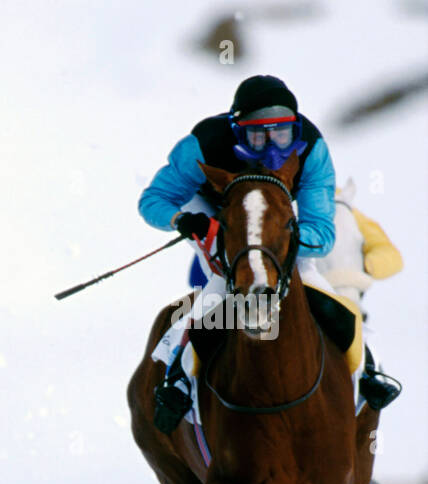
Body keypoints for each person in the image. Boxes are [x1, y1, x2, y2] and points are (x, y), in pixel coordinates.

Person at [137, 74, 399, 433]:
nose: (272, 149)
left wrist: (272, 241)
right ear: (236, 129)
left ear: (296, 129)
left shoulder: (312, 148)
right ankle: (175, 379)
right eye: (258, 136)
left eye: (282, 134)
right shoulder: (203, 145)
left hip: (276, 225)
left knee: (329, 297)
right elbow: (153, 200)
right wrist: (182, 220)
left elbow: (322, 234)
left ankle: (370, 373)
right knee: (215, 299)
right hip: (219, 218)